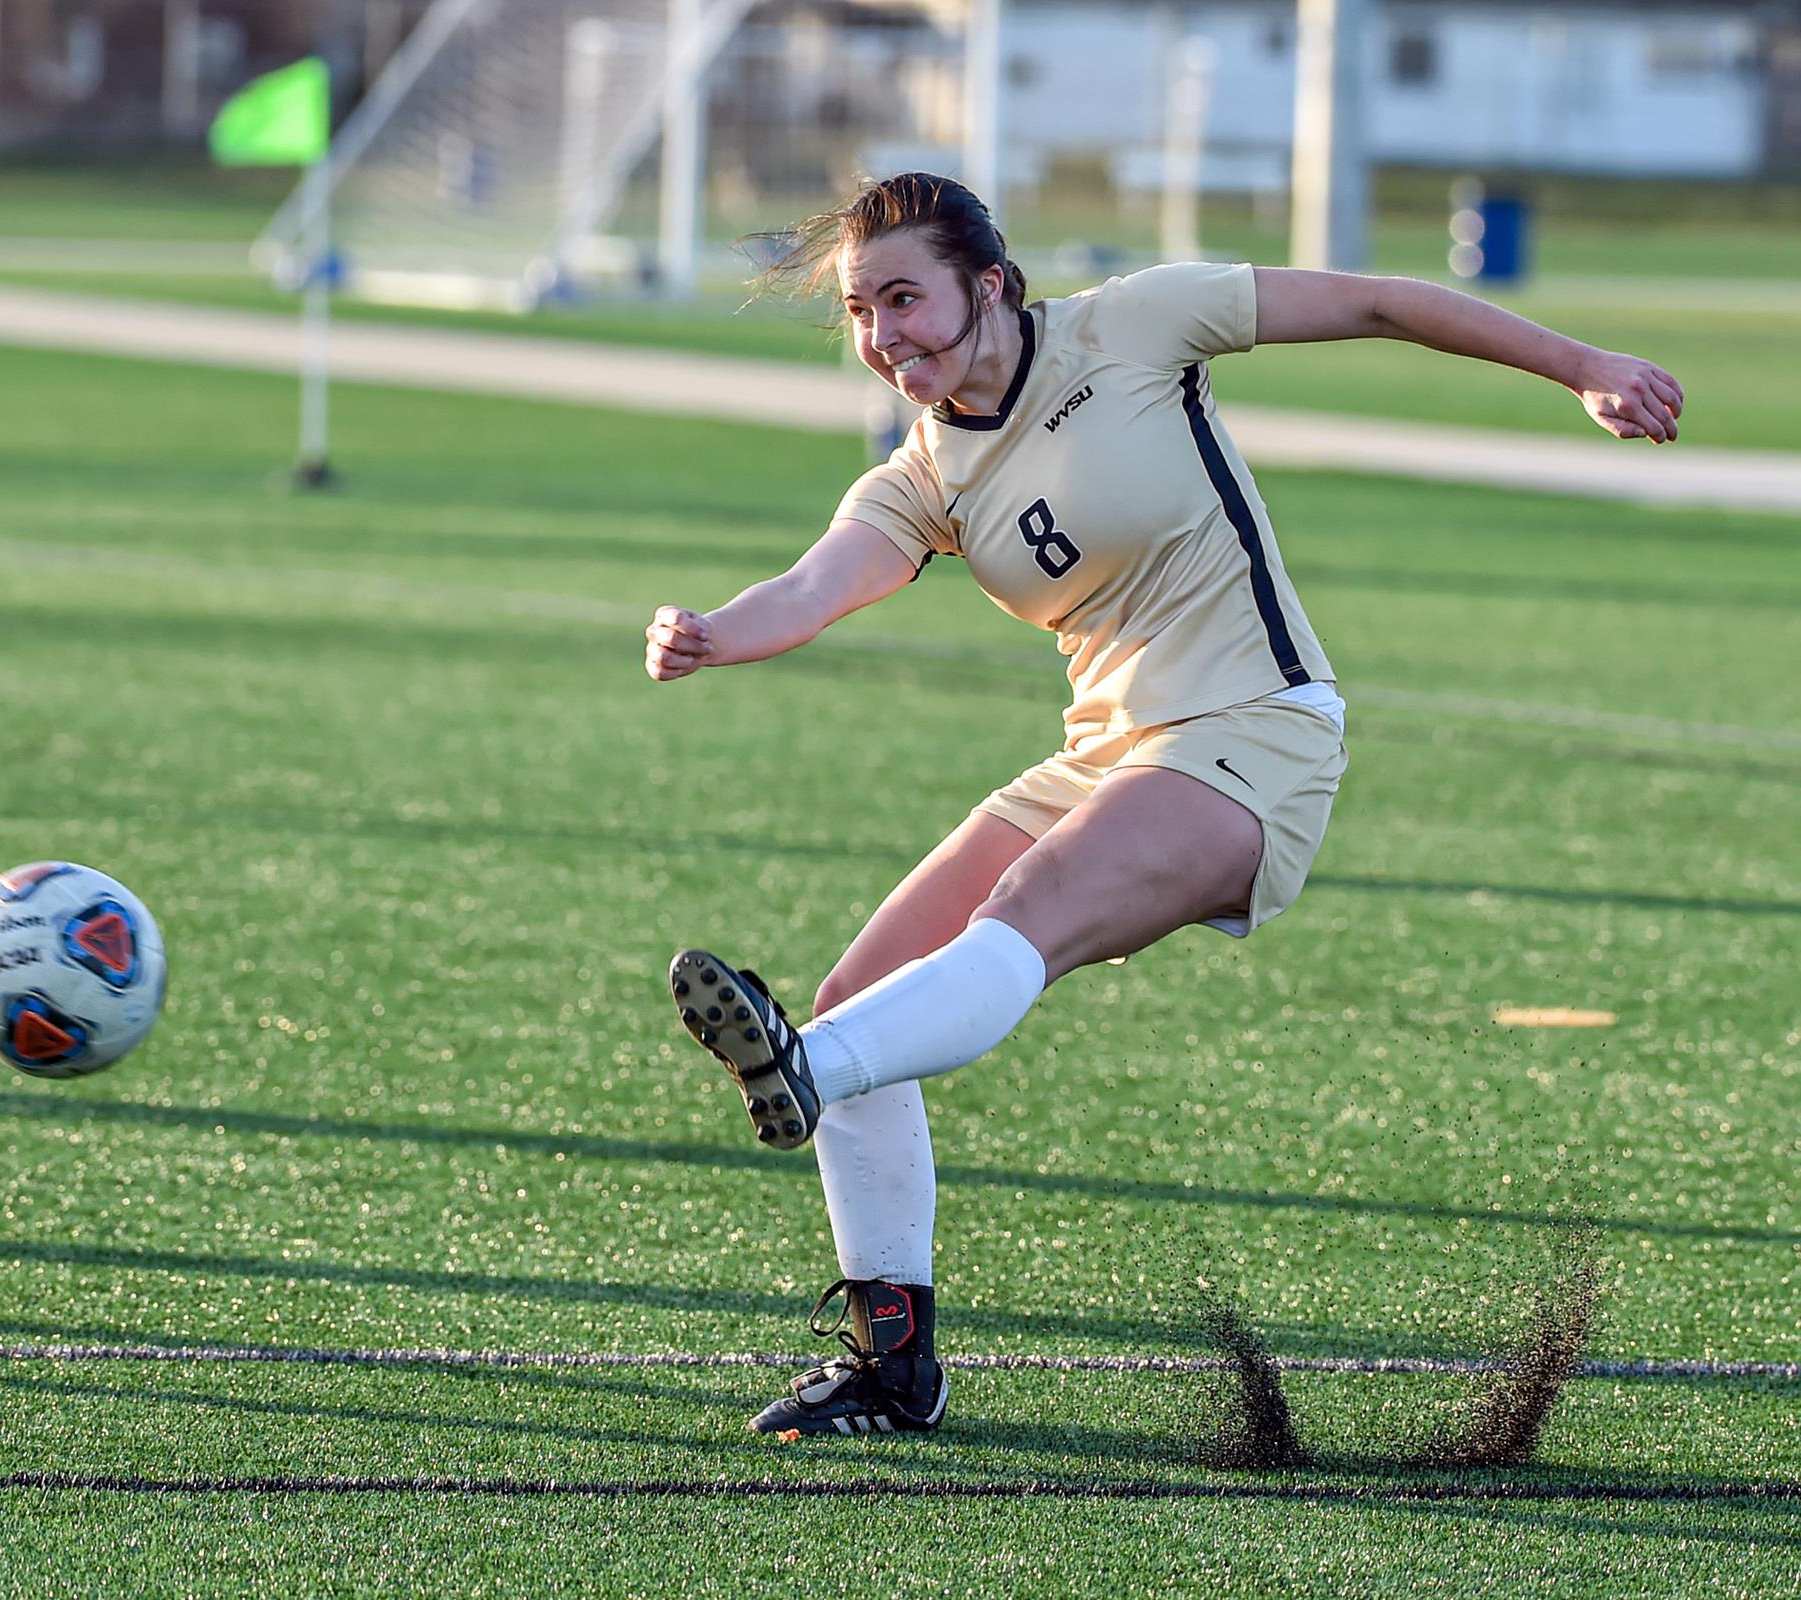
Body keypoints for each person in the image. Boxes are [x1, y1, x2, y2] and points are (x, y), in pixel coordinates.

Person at [645, 173, 1683, 1439]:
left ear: (988, 283)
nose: (883, 336)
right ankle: (890, 1361)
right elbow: (812, 587)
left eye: (904, 298)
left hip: (1257, 733)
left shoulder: (1132, 325)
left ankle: (803, 1076)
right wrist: (705, 632)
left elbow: (1371, 302)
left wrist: (1578, 364)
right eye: (861, 313)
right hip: (1104, 757)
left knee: (1014, 918)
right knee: (861, 997)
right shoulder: (923, 472)